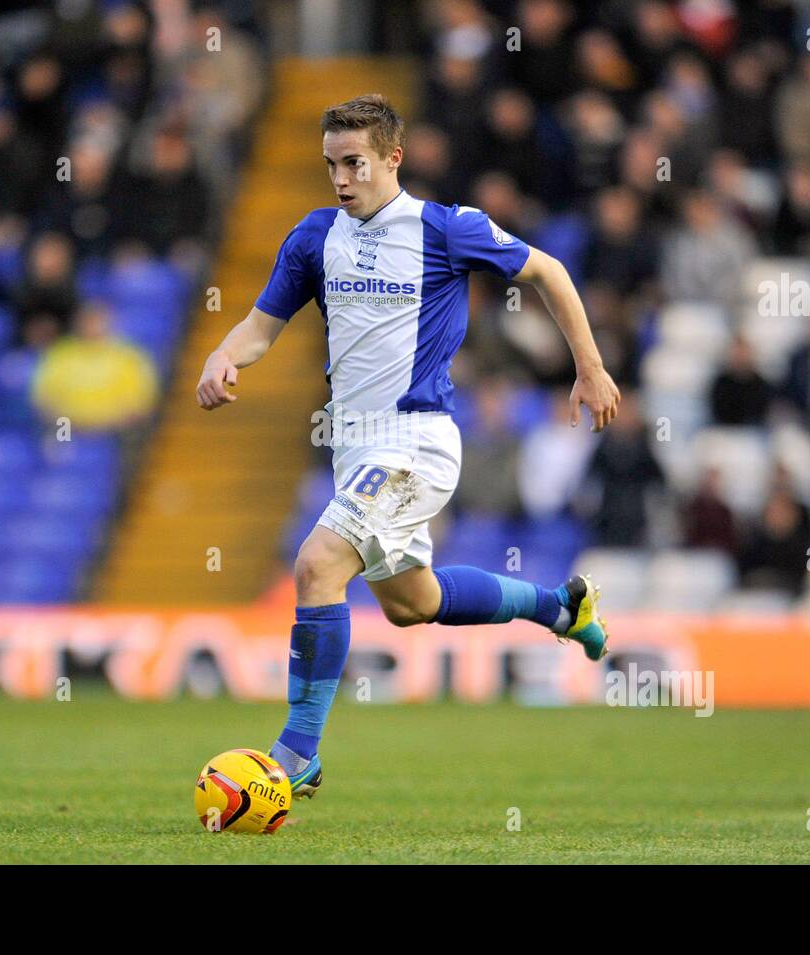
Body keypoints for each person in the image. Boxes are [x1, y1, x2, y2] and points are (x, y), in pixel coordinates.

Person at [194, 95, 620, 797]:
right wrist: (223, 354)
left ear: (394, 157)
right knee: (412, 603)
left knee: (316, 565)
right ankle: (557, 606)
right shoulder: (313, 236)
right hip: (354, 451)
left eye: (354, 163)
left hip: (417, 442)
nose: (341, 178)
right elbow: (261, 327)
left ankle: (297, 750)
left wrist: (590, 366)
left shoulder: (445, 229)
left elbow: (549, 271)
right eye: (331, 164)